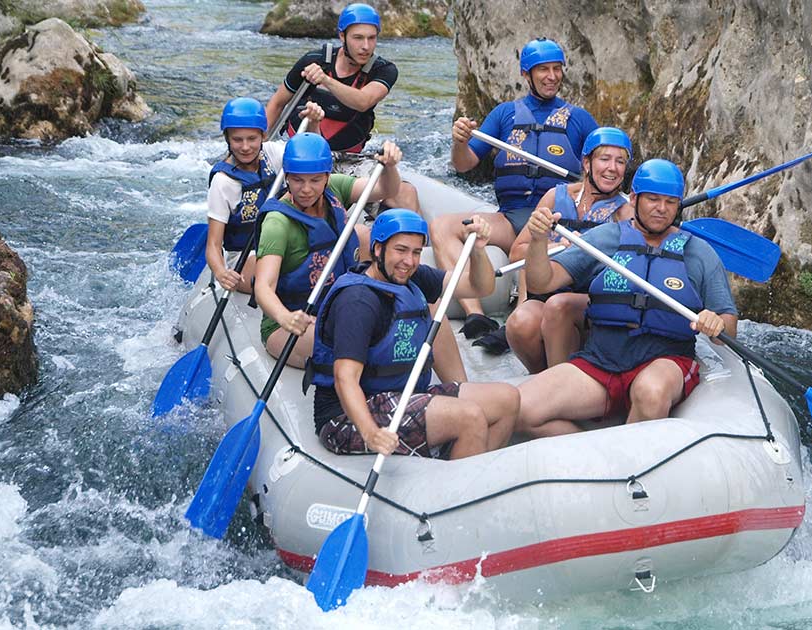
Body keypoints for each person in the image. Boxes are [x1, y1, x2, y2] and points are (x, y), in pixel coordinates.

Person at [515, 159, 739, 438]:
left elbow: (728, 328)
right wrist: (537, 241)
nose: (661, 208)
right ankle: (589, 453)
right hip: (601, 359)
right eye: (653, 199)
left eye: (670, 202)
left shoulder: (699, 252)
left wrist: (715, 321)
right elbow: (541, 281)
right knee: (521, 411)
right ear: (634, 199)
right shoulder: (606, 238)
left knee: (651, 392)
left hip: (665, 359)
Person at [310, 209, 518, 459]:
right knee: (469, 417)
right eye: (400, 250)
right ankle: (457, 487)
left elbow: (480, 286)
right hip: (346, 415)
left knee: (507, 400)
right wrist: (370, 432)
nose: (409, 261)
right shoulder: (358, 301)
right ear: (378, 249)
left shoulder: (411, 276)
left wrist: (478, 250)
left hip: (404, 394)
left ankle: (464, 472)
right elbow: (345, 378)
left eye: (417, 252)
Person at [431, 37, 599, 339]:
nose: (552, 76)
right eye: (543, 70)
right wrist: (459, 142)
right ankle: (475, 315)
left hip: (554, 222)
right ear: (526, 75)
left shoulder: (580, 120)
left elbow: (603, 174)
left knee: (533, 245)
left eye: (557, 69)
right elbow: (464, 164)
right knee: (442, 226)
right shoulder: (504, 115)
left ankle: (520, 323)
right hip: (510, 218)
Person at [477, 127, 635, 369]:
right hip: (547, 292)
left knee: (557, 310)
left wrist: (580, 254)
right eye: (604, 159)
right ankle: (542, 377)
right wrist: (551, 245)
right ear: (586, 163)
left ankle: (563, 380)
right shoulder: (554, 197)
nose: (612, 168)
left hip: (590, 306)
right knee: (520, 322)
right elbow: (518, 252)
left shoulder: (625, 213)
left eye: (620, 161)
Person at [253, 132, 398, 367]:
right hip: (291, 323)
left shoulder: (335, 189)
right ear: (287, 176)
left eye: (315, 180)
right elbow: (263, 286)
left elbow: (384, 189)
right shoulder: (277, 222)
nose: (307, 189)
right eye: (298, 180)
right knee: (352, 340)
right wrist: (285, 317)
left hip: (338, 307)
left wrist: (390, 167)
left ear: (327, 177)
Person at [263, 3, 419, 210]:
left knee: (406, 193)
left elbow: (363, 102)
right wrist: (259, 148)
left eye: (371, 38)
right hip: (302, 154)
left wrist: (326, 81)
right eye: (358, 38)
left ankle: (410, 239)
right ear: (342, 37)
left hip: (349, 159)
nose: (366, 46)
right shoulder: (313, 61)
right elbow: (277, 103)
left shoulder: (384, 70)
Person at [205, 97, 324, 294]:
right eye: (237, 139)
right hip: (244, 257)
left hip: (285, 242)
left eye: (252, 139)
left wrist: (313, 123)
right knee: (279, 270)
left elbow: (310, 156)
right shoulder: (223, 181)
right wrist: (220, 271)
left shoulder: (273, 153)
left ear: (263, 135)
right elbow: (213, 244)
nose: (245, 147)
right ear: (227, 139)